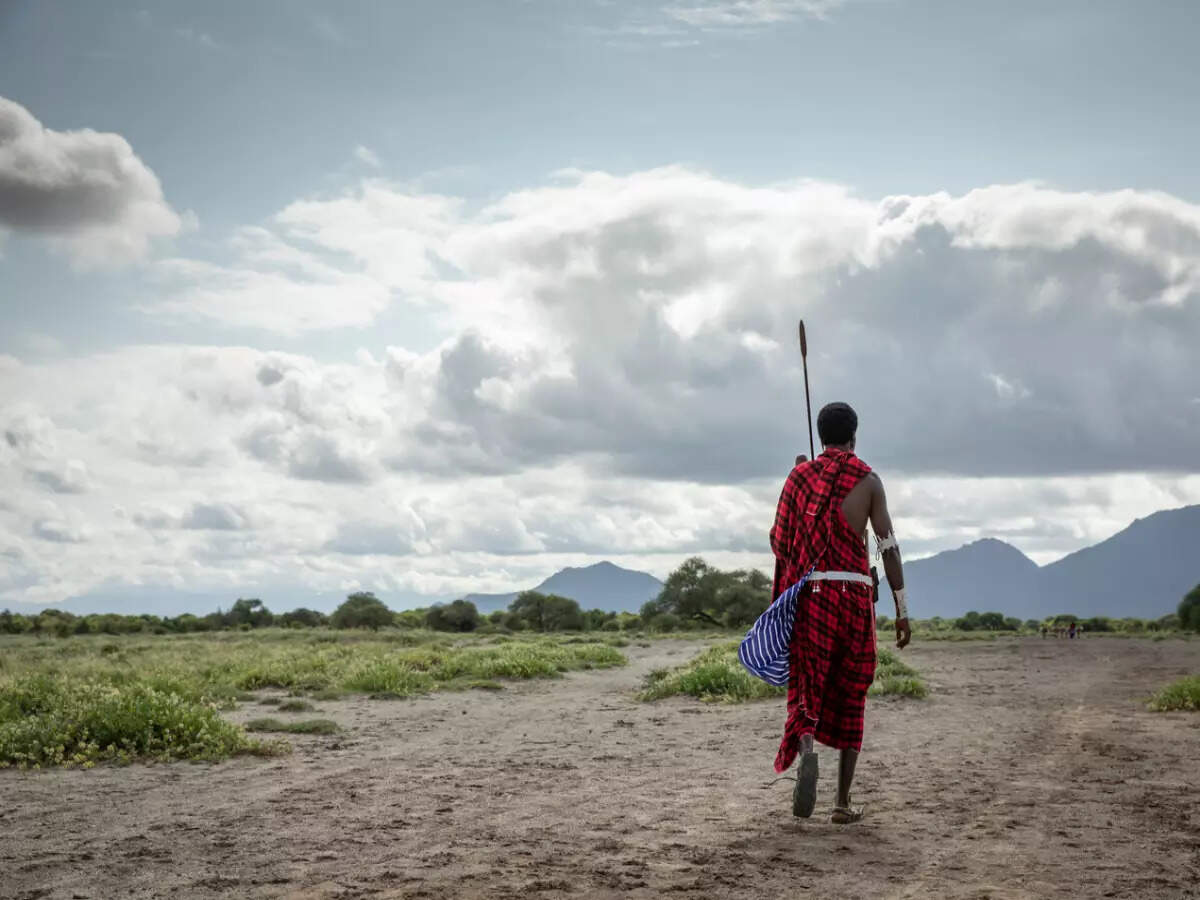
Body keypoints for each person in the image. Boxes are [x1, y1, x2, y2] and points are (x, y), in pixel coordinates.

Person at [769, 401, 911, 824]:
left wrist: (800, 482)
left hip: (813, 595)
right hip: (853, 597)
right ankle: (842, 803)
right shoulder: (869, 481)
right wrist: (902, 610)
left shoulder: (800, 477)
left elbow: (780, 540)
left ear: (820, 434)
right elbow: (888, 548)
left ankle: (807, 747)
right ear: (854, 436)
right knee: (852, 694)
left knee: (809, 684)